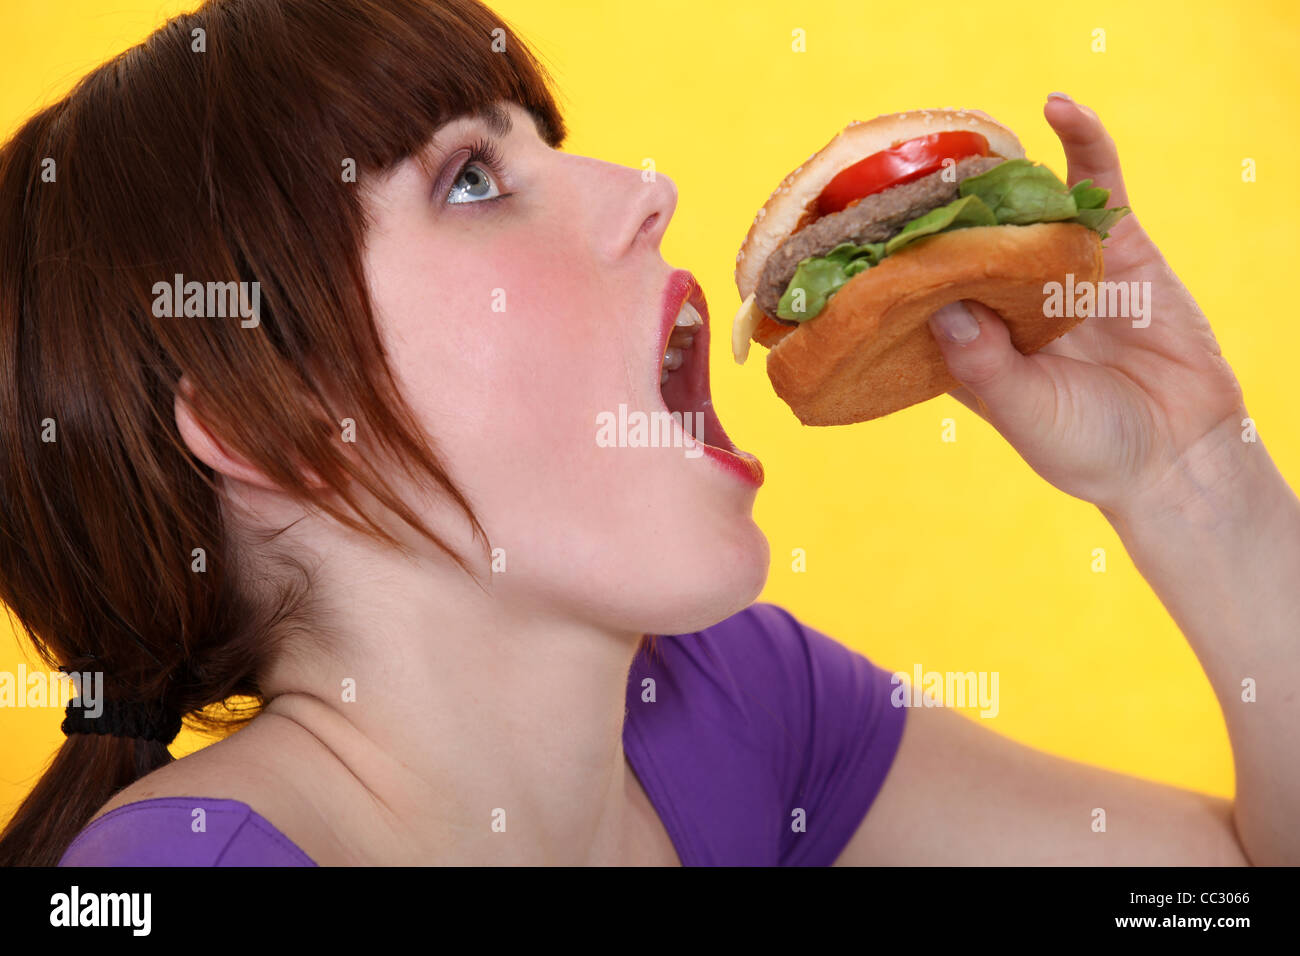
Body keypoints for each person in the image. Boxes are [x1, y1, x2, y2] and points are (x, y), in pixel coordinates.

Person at [1, 0, 1295, 866]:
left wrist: (1195, 478)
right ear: (270, 426)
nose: (648, 188)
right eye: (469, 179)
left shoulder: (740, 704)